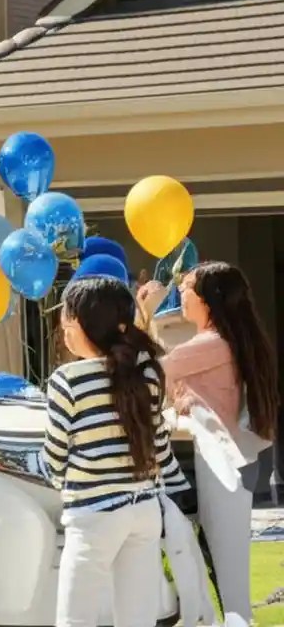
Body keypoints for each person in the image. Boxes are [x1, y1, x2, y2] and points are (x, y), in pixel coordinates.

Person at [40, 277, 189, 627]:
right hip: (144, 510)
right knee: (137, 620)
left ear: (82, 325)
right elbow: (160, 448)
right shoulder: (148, 372)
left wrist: (41, 469)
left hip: (93, 514)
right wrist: (181, 491)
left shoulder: (67, 380)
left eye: (68, 319)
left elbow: (55, 458)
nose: (64, 327)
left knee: (75, 620)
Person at [162, 261, 277, 623]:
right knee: (213, 570)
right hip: (227, 465)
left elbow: (152, 370)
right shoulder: (218, 343)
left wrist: (147, 313)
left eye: (188, 286)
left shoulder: (212, 345)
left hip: (222, 467)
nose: (181, 290)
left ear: (208, 299)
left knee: (227, 582)